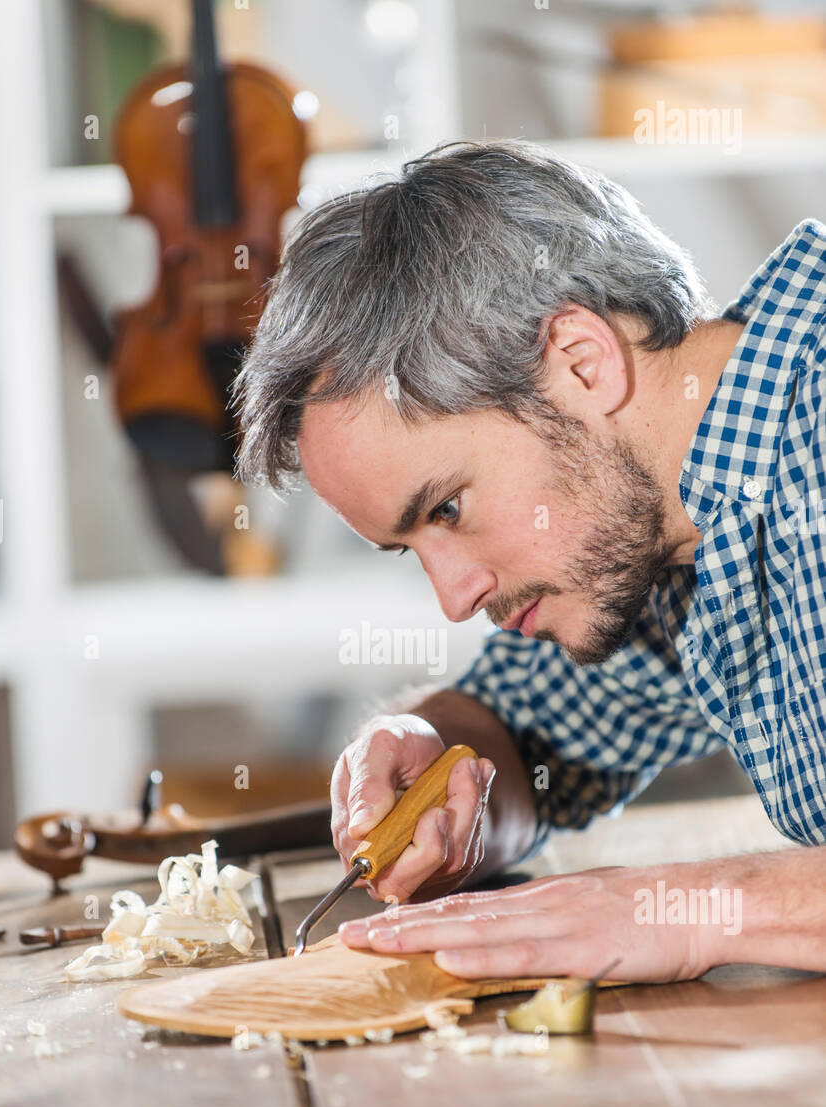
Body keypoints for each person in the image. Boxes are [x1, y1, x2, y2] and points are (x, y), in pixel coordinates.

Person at [234, 141, 826, 983]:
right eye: (412, 550)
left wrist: (687, 910)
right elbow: (520, 729)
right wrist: (433, 755)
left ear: (581, 362)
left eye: (447, 509)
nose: (453, 595)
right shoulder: (669, 528)